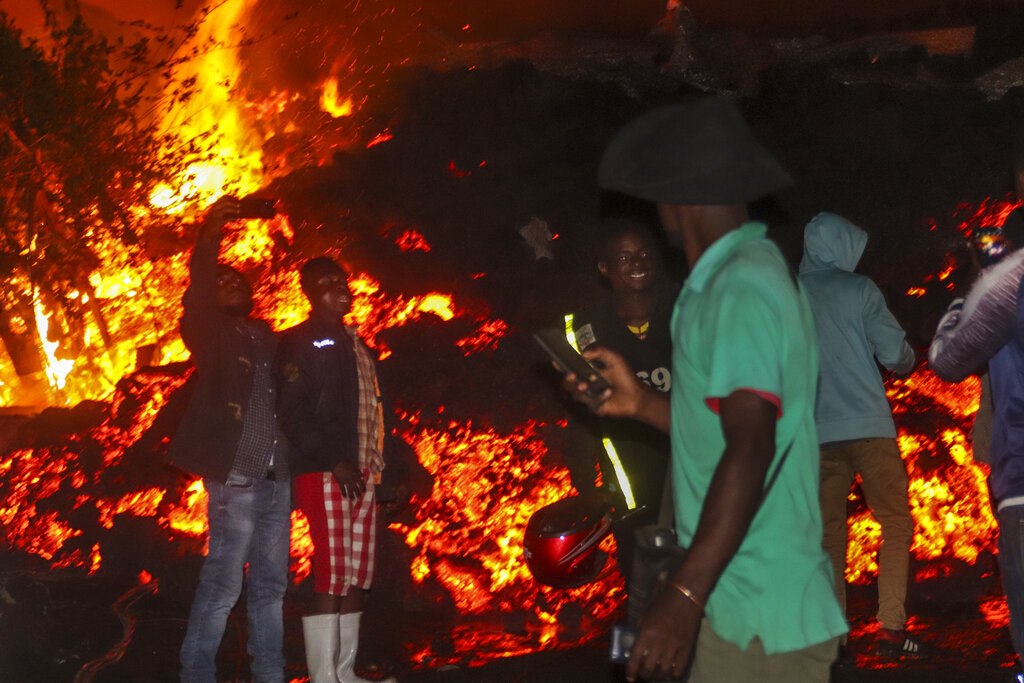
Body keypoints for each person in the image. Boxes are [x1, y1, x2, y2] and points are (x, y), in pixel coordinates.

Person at [569, 97, 847, 682]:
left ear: (679, 195)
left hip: (755, 612)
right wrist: (642, 405)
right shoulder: (730, 279)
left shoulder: (740, 285)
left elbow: (751, 446)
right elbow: (728, 434)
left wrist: (685, 597)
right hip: (742, 603)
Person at [166, 196, 291, 683]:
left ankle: (272, 673)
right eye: (222, 282)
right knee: (222, 585)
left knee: (271, 586)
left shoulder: (271, 337)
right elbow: (198, 288)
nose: (231, 282)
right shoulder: (209, 333)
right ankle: (196, 675)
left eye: (238, 279)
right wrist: (212, 228)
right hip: (237, 476)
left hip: (278, 479)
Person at [797, 211, 923, 657]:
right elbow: (894, 354)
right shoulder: (859, 289)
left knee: (830, 534)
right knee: (894, 521)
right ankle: (890, 627)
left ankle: (834, 636)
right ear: (841, 246)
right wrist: (910, 358)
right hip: (869, 427)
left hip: (815, 434)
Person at [276, 256, 400, 683]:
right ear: (308, 292)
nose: (339, 286)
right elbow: (292, 412)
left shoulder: (358, 346)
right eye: (326, 281)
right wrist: (334, 460)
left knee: (357, 576)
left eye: (342, 279)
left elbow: (376, 416)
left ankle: (344, 672)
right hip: (327, 472)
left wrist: (386, 475)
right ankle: (322, 676)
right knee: (331, 573)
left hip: (365, 474)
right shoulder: (301, 341)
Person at [561, 218, 675, 582]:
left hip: (693, 461)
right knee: (644, 578)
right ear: (604, 267)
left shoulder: (689, 310)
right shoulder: (586, 328)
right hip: (629, 475)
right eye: (624, 257)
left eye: (643, 254)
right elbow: (578, 415)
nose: (637, 263)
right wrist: (586, 483)